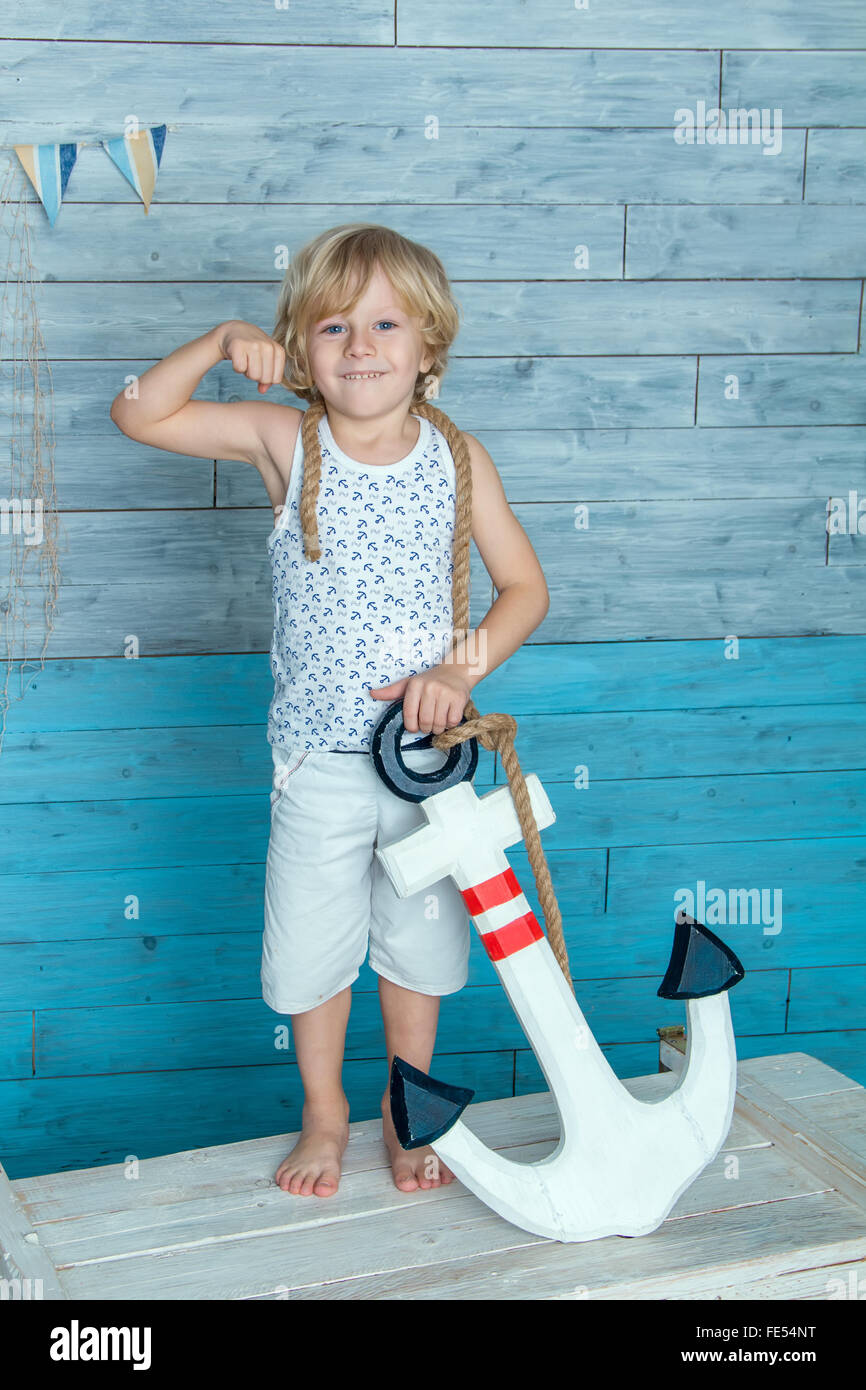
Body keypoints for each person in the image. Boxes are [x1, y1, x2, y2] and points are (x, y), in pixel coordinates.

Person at [109, 222, 550, 1200]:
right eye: (331, 326)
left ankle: (409, 1108)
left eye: (385, 323)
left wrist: (458, 669)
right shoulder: (284, 441)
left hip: (426, 762)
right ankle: (322, 1110)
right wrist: (224, 340)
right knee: (311, 947)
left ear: (427, 346)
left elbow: (523, 587)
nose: (359, 345)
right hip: (318, 762)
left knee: (418, 948)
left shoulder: (457, 459)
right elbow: (138, 413)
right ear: (298, 347)